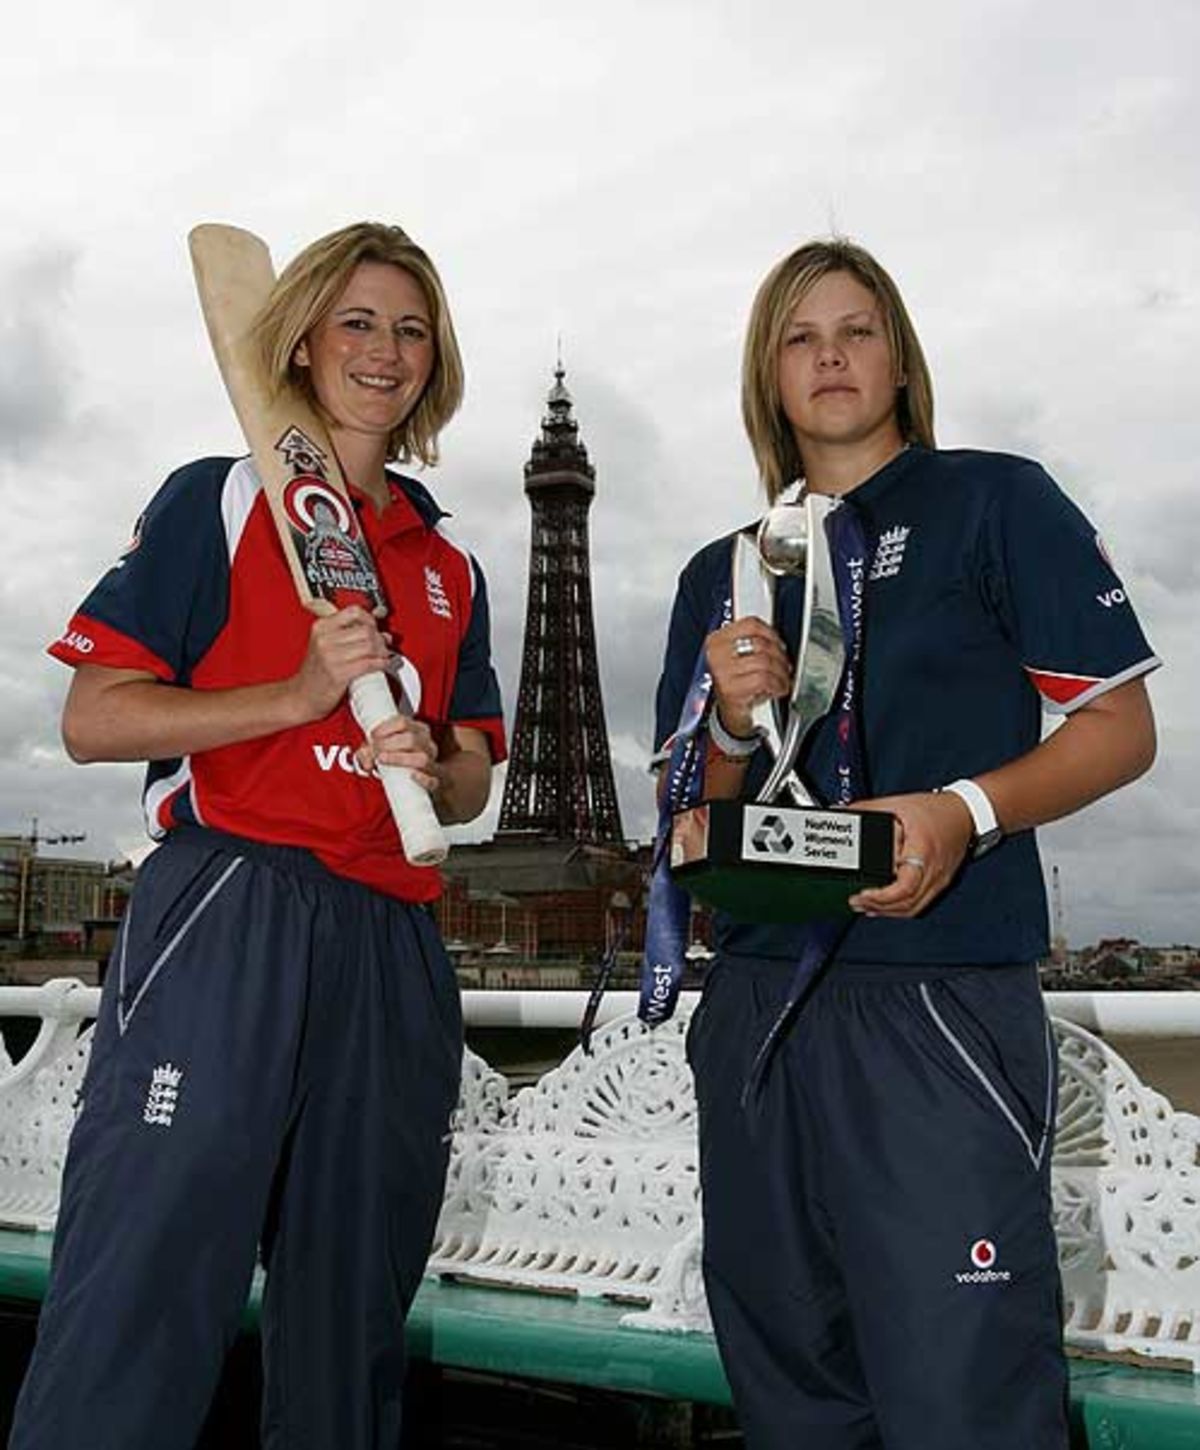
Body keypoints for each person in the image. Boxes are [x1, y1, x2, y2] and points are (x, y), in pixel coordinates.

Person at [653, 238, 1158, 1450]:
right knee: (795, 1394)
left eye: (858, 329)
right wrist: (726, 714)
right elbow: (682, 820)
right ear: (767, 375)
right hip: (760, 1006)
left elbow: (1122, 729)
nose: (830, 355)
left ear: (899, 357)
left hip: (933, 995)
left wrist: (961, 811)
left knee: (963, 1396)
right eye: (799, 336)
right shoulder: (721, 573)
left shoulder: (996, 500)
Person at [11, 222, 505, 1450]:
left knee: (352, 1320)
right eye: (356, 320)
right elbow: (92, 718)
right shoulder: (218, 497)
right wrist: (292, 697)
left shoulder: (449, 563)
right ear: (297, 338)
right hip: (232, 904)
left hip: (391, 935)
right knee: (146, 1279)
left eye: (409, 326)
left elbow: (477, 779)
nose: (385, 350)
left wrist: (431, 758)